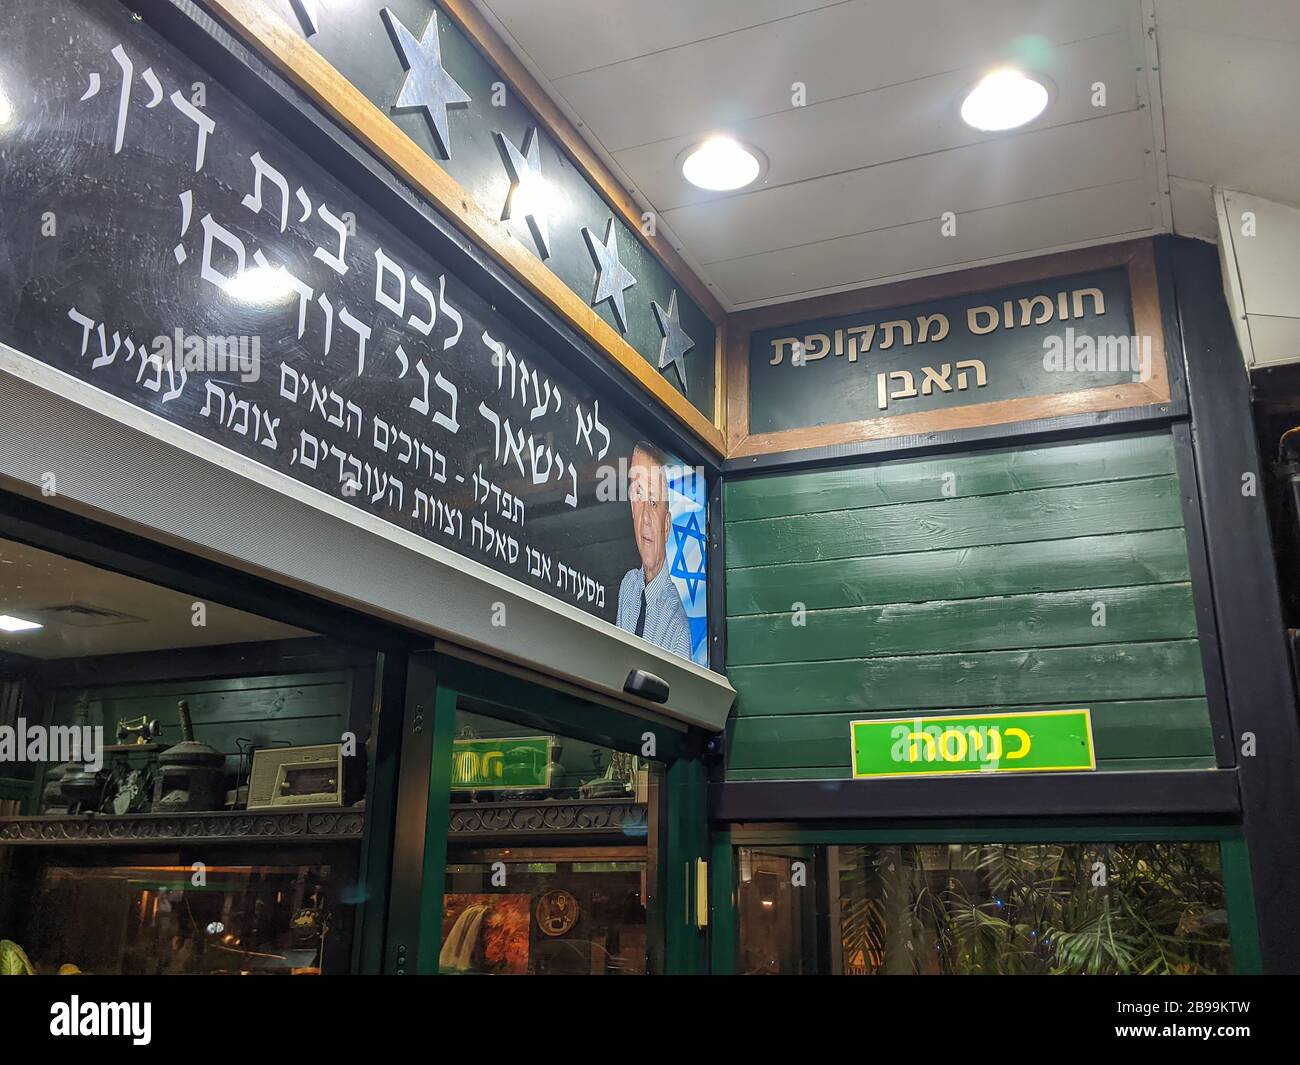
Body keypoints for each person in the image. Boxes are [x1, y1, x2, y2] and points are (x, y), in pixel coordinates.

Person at [615, 441, 692, 660]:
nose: (645, 518)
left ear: (666, 526)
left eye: (654, 502)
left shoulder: (677, 624)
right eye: (638, 497)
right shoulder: (628, 586)